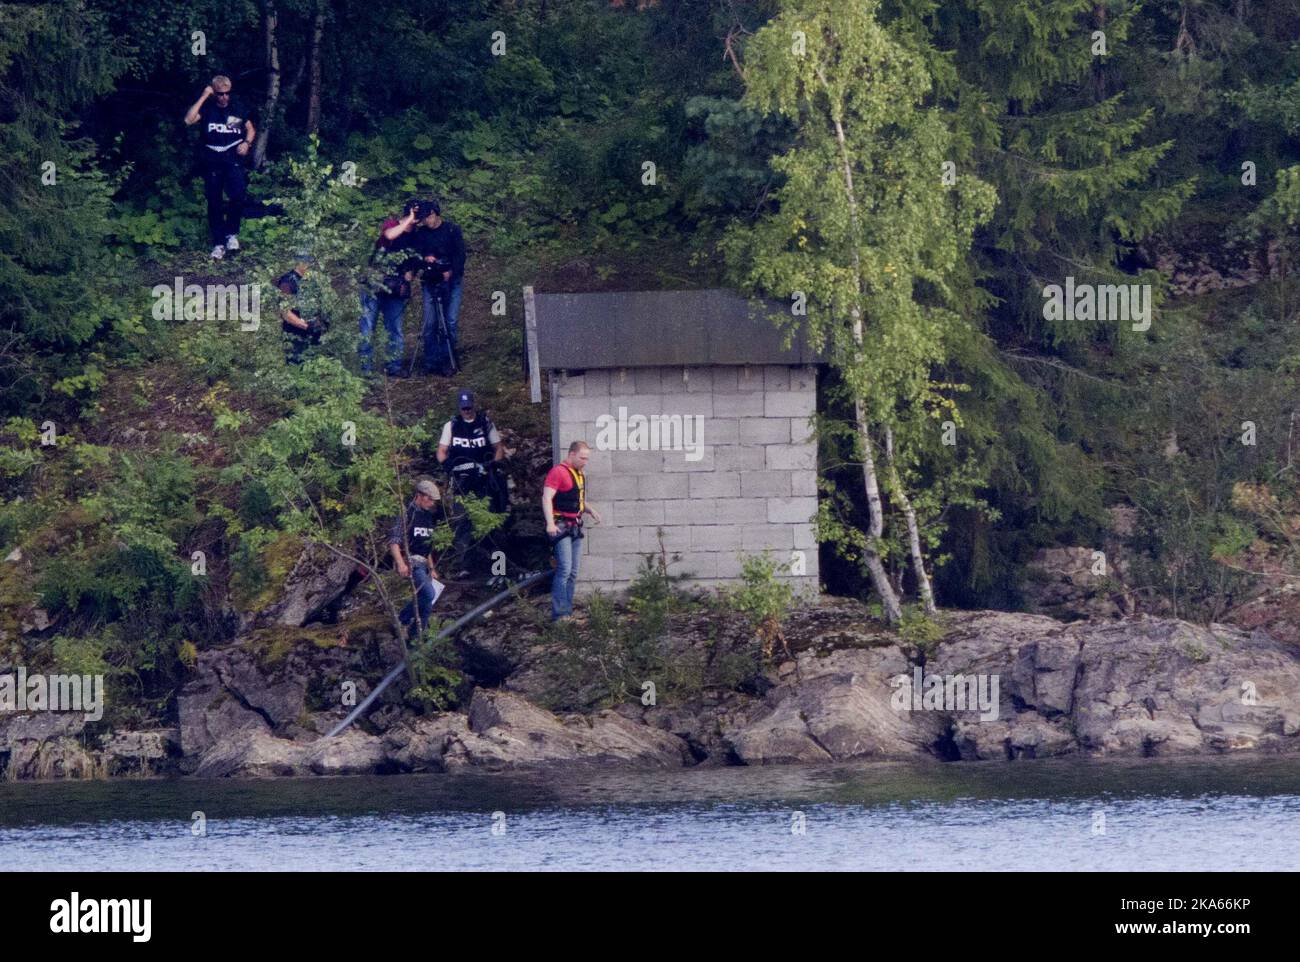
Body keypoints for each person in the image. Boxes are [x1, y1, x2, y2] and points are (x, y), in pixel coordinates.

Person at [184, 75, 255, 260]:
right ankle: (218, 243)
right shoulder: (208, 111)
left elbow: (250, 129)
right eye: (220, 94)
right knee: (214, 201)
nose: (224, 98)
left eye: (227, 94)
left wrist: (246, 143)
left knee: (237, 196)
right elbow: (188, 120)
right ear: (213, 93)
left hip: (232, 159)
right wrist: (203, 96)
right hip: (212, 160)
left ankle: (231, 234)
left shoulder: (234, 112)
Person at [436, 388, 505, 567]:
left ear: (473, 406)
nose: (466, 411)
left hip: (483, 479)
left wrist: (493, 463)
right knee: (462, 521)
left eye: (469, 407)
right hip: (461, 481)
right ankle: (464, 565)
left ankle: (496, 565)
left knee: (490, 517)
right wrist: (446, 464)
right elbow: (441, 451)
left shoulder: (485, 423)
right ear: (459, 408)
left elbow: (498, 447)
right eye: (463, 408)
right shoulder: (451, 425)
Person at [358, 199, 427, 376]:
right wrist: (408, 219)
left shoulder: (418, 236)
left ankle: (394, 366)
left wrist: (411, 273)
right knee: (367, 327)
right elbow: (389, 236)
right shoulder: (392, 224)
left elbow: (417, 260)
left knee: (395, 329)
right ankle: (365, 369)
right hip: (374, 282)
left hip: (396, 287)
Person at [541, 441, 601, 622]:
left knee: (573, 571)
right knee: (564, 569)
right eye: (582, 458)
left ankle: (567, 611)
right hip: (560, 526)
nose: (585, 462)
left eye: (587, 459)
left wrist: (589, 510)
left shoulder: (578, 474)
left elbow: (577, 498)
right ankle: (559, 615)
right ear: (572, 454)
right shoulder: (558, 472)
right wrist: (550, 523)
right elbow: (546, 498)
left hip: (575, 526)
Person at [413, 200, 466, 377]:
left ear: (436, 214)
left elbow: (460, 255)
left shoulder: (452, 230)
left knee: (449, 320)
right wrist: (425, 260)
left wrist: (450, 271)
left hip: (452, 281)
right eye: (424, 218)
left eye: (428, 216)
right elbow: (415, 256)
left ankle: (447, 358)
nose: (427, 221)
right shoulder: (421, 234)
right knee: (430, 323)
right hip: (430, 281)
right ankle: (431, 361)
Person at [387, 479, 446, 639]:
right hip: (410, 560)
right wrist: (400, 564)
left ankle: (415, 637)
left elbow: (427, 546)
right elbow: (394, 540)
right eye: (430, 499)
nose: (432, 503)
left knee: (427, 603)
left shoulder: (427, 516)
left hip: (423, 563)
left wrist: (432, 568)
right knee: (428, 593)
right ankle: (401, 620)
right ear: (420, 495)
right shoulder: (406, 512)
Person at [276, 254, 325, 364]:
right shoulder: (287, 282)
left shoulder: (311, 281)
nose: (311, 266)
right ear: (301, 264)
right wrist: (306, 327)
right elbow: (285, 313)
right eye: (309, 264)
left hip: (312, 334)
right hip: (295, 335)